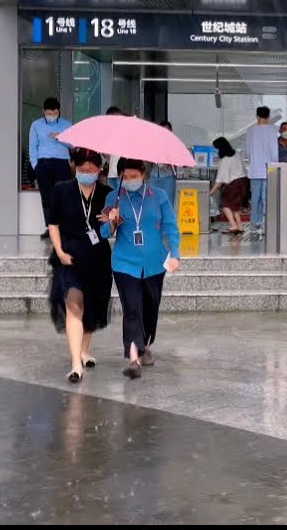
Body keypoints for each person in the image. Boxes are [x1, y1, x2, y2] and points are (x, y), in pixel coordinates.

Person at [102, 157, 181, 379]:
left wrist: (175, 253)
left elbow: (171, 227)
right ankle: (133, 357)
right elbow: (103, 233)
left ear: (143, 175)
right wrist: (112, 222)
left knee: (150, 309)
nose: (129, 181)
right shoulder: (114, 197)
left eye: (133, 177)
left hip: (155, 263)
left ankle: (145, 344)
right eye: (125, 177)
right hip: (125, 263)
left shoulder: (159, 197)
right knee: (132, 309)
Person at [47, 148, 113, 384]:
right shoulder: (62, 189)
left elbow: (109, 231)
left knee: (92, 304)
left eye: (92, 170)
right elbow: (53, 224)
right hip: (69, 255)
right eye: (82, 170)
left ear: (99, 170)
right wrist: (60, 251)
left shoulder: (108, 193)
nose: (87, 173)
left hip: (97, 257)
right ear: (75, 168)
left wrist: (114, 221)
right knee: (74, 303)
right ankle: (76, 363)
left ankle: (85, 350)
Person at [30, 98, 73, 239]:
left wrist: (61, 137)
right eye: (49, 113)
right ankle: (50, 227)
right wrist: (35, 166)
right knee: (47, 197)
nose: (52, 115)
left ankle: (65, 227)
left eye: (54, 113)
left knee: (65, 196)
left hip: (62, 163)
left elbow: (73, 145)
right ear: (44, 111)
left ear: (58, 111)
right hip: (44, 163)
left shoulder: (67, 125)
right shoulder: (36, 125)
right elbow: (32, 147)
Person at [245, 106, 278, 235]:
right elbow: (274, 152)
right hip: (269, 169)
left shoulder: (251, 130)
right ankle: (266, 224)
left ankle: (255, 223)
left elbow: (247, 151)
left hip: (254, 170)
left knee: (255, 198)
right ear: (269, 117)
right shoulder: (273, 130)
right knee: (267, 198)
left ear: (257, 116)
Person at [209, 136, 248, 234]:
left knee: (225, 205)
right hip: (244, 182)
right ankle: (240, 226)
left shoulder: (225, 159)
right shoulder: (237, 154)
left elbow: (220, 179)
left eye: (216, 149)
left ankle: (233, 225)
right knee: (235, 206)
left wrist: (210, 193)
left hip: (234, 184)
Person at [148, 121, 179, 203]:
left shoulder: (175, 144)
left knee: (168, 202)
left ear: (171, 131)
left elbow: (178, 161)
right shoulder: (153, 143)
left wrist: (168, 162)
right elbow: (147, 157)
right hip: (154, 176)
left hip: (168, 177)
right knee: (151, 201)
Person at [102, 106, 125, 185]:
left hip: (123, 174)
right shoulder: (106, 135)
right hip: (111, 174)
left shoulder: (126, 134)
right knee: (111, 195)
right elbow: (105, 154)